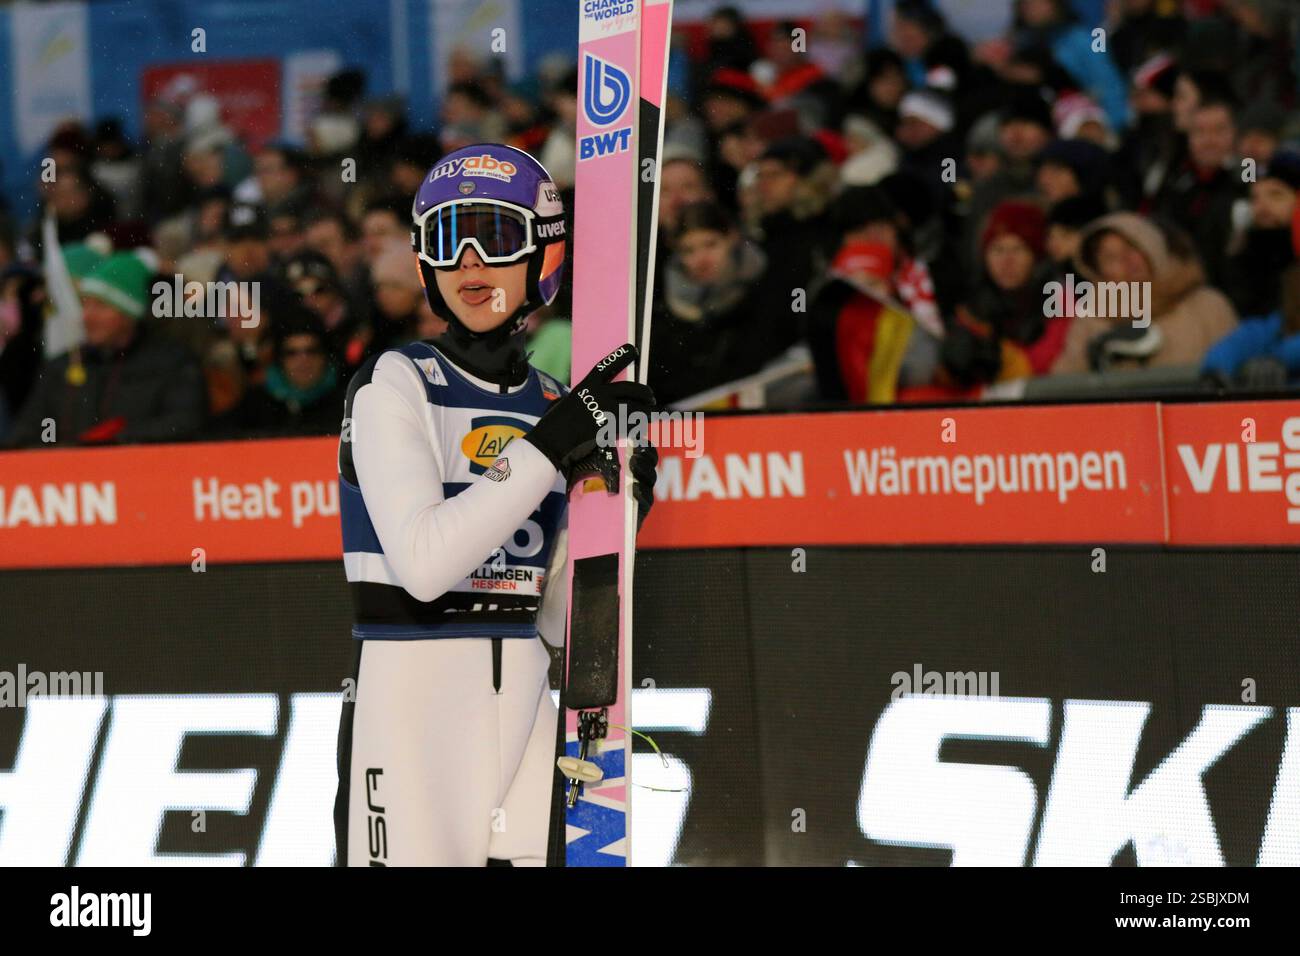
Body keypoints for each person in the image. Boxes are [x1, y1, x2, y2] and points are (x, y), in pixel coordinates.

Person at [333, 143, 658, 867]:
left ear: (542, 254)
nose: (471, 264)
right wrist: (550, 449)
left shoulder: (550, 402)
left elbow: (550, 619)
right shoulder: (395, 383)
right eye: (450, 241)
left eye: (497, 237)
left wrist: (623, 507)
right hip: (409, 707)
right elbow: (424, 565)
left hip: (524, 701)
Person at [6, 250, 205, 447]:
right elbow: (28, 432)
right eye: (85, 305)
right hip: (70, 478)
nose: (87, 317)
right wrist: (58, 450)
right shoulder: (61, 367)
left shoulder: (172, 364)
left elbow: (184, 425)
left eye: (101, 306)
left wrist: (116, 442)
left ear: (129, 313)